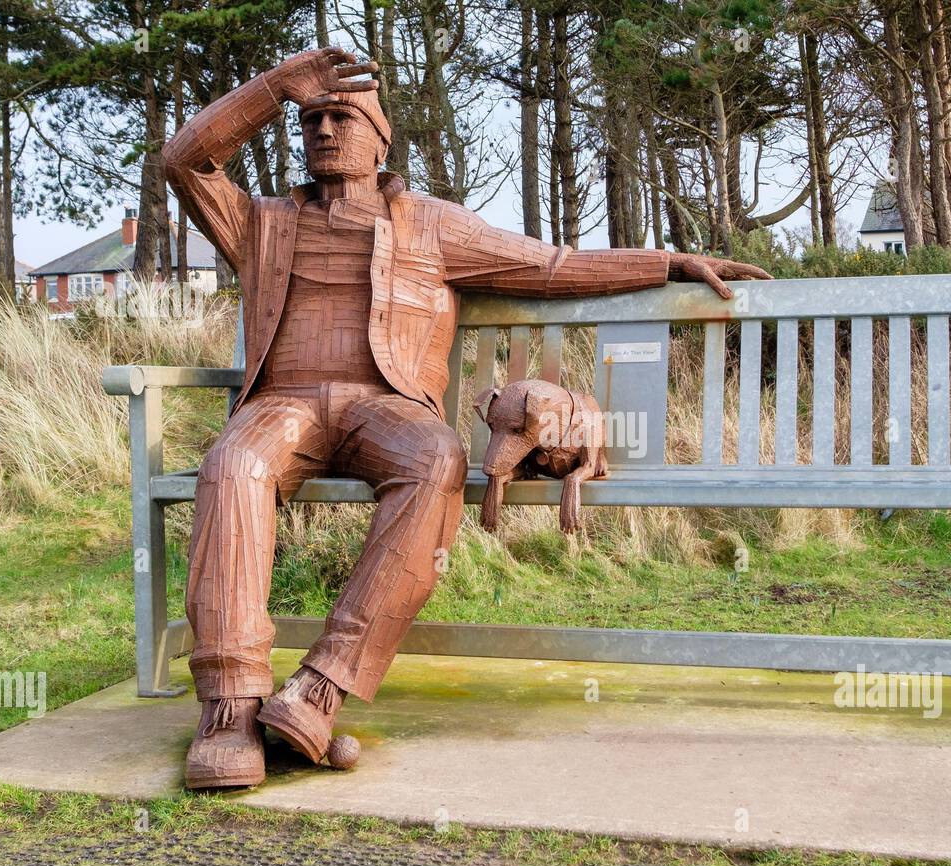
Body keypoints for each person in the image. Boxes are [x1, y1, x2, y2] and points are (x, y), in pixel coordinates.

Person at [162, 47, 771, 788]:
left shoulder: (432, 226)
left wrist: (666, 262)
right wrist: (275, 86)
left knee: (436, 458)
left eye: (341, 116)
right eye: (311, 117)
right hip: (281, 405)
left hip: (385, 411)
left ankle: (318, 691)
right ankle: (229, 706)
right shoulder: (260, 223)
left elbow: (552, 267)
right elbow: (185, 161)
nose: (322, 129)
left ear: (379, 140)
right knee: (233, 462)